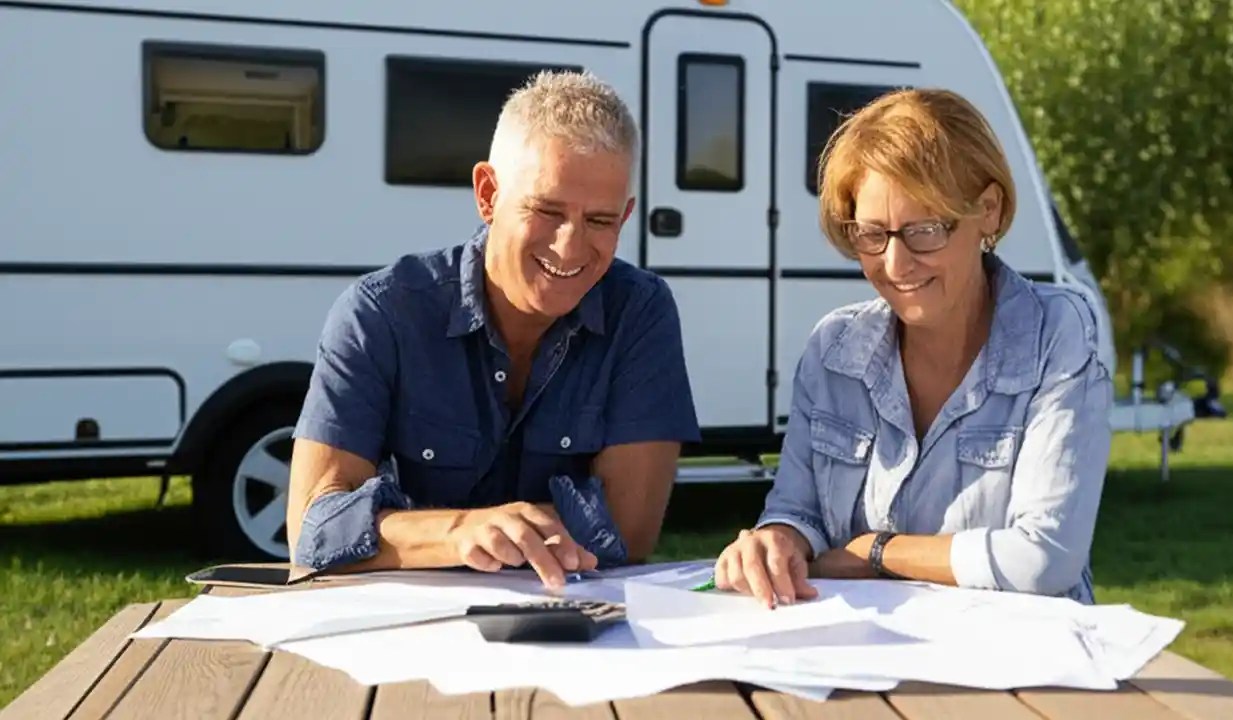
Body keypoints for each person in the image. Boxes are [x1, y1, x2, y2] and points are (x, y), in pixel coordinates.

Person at [285, 70, 701, 588]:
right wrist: (461, 531)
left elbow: (627, 534)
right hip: (405, 630)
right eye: (547, 211)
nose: (570, 246)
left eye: (600, 221)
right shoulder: (381, 312)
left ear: (626, 216)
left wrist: (404, 533)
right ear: (488, 193)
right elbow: (315, 530)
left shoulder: (640, 311)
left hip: (575, 630)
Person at [715, 88, 1113, 607]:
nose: (896, 265)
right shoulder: (833, 348)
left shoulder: (1058, 332)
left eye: (925, 230)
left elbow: (1046, 558)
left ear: (988, 212)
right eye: (872, 234)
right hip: (868, 658)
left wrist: (876, 552)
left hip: (1024, 668)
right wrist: (777, 541)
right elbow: (798, 511)